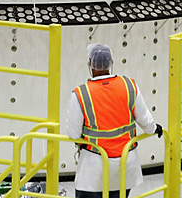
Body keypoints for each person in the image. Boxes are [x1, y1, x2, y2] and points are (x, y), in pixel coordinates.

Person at [66, 44, 162, 198]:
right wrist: (154, 129)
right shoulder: (129, 85)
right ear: (111, 63)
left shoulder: (81, 93)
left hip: (94, 164)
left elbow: (73, 133)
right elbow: (145, 119)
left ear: (90, 65)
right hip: (125, 161)